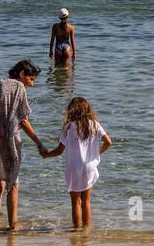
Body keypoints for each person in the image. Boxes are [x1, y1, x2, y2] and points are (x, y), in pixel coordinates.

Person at [0, 60, 46, 230]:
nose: (32, 83)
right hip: (9, 142)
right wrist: (39, 142)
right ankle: (13, 226)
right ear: (22, 74)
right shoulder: (18, 87)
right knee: (13, 184)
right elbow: (22, 120)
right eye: (31, 79)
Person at [40, 96, 111, 230]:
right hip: (89, 166)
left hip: (73, 167)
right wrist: (97, 153)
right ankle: (85, 230)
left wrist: (46, 154)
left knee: (75, 202)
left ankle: (76, 231)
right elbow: (108, 142)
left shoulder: (68, 127)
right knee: (86, 201)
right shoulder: (95, 124)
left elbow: (60, 150)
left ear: (71, 110)